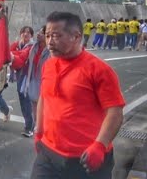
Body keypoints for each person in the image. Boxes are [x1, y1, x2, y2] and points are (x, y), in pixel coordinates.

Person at [33, 11, 124, 179]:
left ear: (76, 36)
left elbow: (115, 112)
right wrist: (39, 131)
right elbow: (44, 98)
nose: (49, 42)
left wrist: (100, 145)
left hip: (86, 159)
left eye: (56, 36)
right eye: (47, 35)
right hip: (48, 154)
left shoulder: (99, 70)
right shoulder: (48, 65)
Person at [10, 26, 49, 138]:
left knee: (36, 103)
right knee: (30, 103)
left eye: (28, 32)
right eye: (23, 32)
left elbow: (21, 56)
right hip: (26, 77)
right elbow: (20, 55)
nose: (38, 34)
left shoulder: (48, 50)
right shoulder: (34, 47)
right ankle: (34, 126)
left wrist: (11, 56)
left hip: (41, 79)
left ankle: (32, 127)